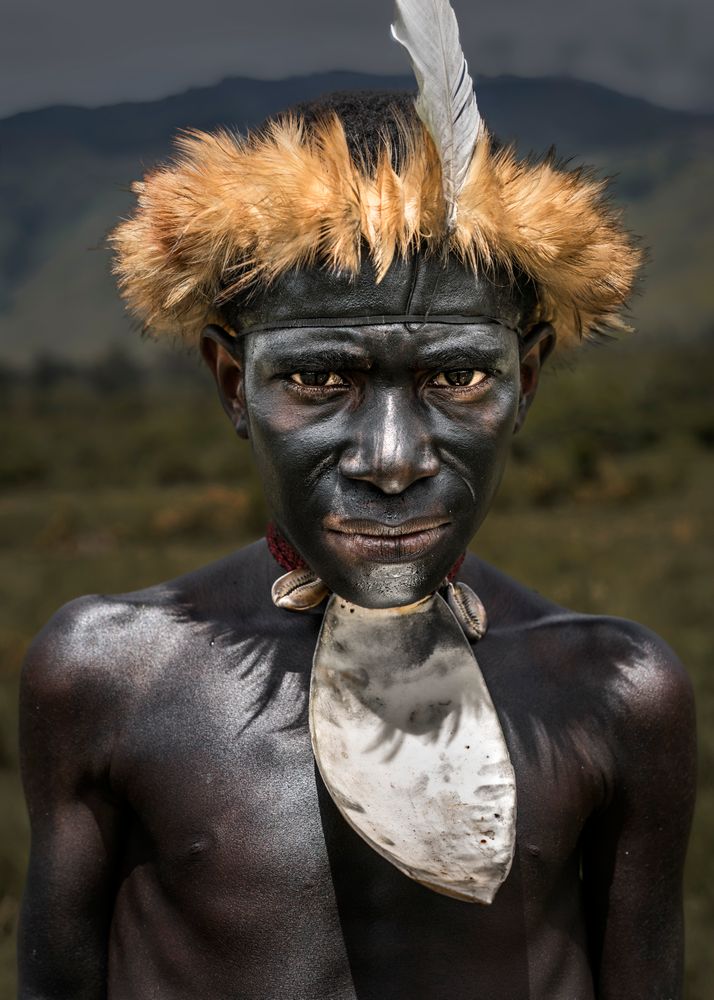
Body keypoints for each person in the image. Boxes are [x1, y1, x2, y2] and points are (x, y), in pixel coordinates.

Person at [18, 2, 695, 997]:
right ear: (227, 381)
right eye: (318, 380)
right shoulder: (108, 677)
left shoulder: (616, 694)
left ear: (530, 379)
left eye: (459, 378)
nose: (390, 458)